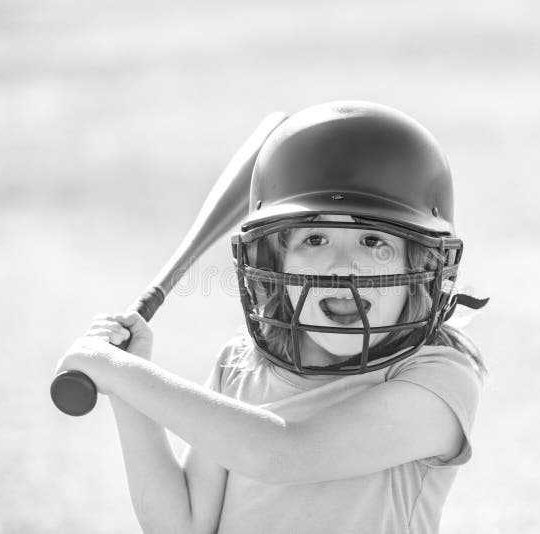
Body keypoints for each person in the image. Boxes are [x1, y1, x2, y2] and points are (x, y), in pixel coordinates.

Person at [55, 100, 488, 534]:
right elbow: (180, 527)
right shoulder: (242, 367)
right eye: (315, 238)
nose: (341, 266)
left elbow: (283, 453)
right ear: (275, 263)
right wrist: (131, 388)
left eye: (373, 240)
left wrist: (119, 372)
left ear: (421, 269)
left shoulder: (438, 380)